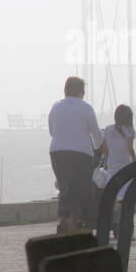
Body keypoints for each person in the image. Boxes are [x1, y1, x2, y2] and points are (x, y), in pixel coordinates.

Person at [48, 75, 104, 234]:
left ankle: (62, 220)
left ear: (65, 90)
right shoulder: (86, 108)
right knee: (80, 189)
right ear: (81, 92)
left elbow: (52, 131)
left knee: (65, 187)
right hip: (81, 155)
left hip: (57, 152)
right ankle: (72, 225)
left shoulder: (56, 107)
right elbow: (97, 138)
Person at [100, 104, 136, 234]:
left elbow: (105, 150)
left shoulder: (107, 130)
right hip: (125, 166)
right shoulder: (129, 131)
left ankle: (114, 221)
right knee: (125, 197)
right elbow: (130, 149)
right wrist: (135, 162)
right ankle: (126, 226)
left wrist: (107, 160)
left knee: (113, 194)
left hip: (111, 166)